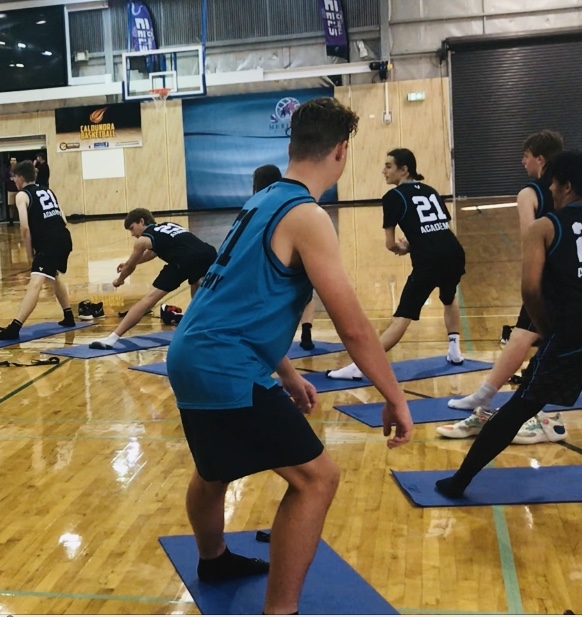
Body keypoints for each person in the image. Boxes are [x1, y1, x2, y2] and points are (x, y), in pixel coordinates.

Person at [165, 97, 412, 615]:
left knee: (214, 469)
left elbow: (242, 298)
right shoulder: (307, 216)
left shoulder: (263, 200)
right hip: (224, 362)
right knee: (317, 479)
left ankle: (213, 559)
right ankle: (281, 611)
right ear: (341, 151)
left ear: (292, 145)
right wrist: (394, 397)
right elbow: (354, 327)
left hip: (191, 351)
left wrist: (287, 372)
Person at [434, 150, 582, 497]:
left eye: (553, 183)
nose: (551, 189)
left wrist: (547, 329)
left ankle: (459, 481)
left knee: (526, 399)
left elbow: (530, 289)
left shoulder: (544, 227)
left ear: (566, 186)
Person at [439, 130, 573, 443]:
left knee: (524, 335)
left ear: (540, 158)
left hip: (551, 275)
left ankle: (489, 399)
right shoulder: (571, 188)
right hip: (578, 271)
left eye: (525, 156)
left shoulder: (529, 193)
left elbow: (530, 239)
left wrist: (533, 276)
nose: (522, 162)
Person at [324, 148, 467, 380]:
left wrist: (403, 248)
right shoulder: (430, 190)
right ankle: (455, 352)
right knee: (449, 298)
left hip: (429, 260)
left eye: (389, 166)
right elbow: (441, 229)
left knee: (402, 317)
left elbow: (390, 244)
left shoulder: (393, 197)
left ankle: (360, 367)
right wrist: (414, 244)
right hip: (454, 252)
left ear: (404, 170)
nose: (383, 171)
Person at [89, 209, 215, 350]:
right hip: (208, 254)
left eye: (132, 228)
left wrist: (119, 280)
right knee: (196, 284)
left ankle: (111, 339)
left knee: (149, 299)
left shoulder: (142, 241)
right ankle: (200, 326)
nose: (132, 234)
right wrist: (129, 262)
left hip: (184, 260)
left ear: (141, 221)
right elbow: (151, 254)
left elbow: (130, 268)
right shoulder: (169, 225)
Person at [0, 160, 75, 340]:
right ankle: (68, 316)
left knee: (35, 283)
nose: (14, 181)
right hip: (64, 238)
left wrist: (29, 254)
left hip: (49, 243)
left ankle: (15, 328)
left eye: (14, 177)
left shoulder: (22, 195)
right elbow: (64, 219)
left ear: (20, 177)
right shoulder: (48, 190)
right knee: (54, 274)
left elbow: (24, 228)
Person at [255, 164, 321, 351]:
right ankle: (306, 331)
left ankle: (269, 337)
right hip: (289, 254)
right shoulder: (289, 202)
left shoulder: (255, 204)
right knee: (307, 295)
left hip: (265, 259)